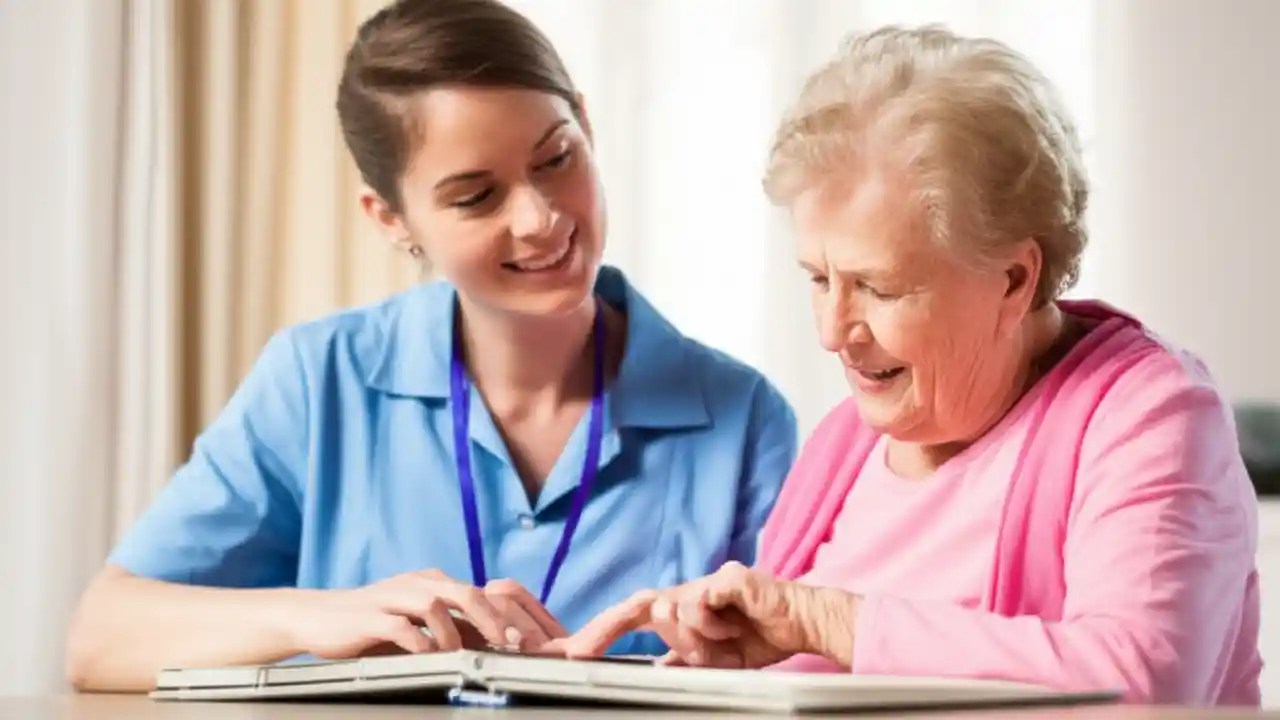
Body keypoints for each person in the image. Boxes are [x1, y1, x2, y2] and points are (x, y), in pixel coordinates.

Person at [64, 0, 797, 692]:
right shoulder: (319, 381)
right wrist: (321, 614)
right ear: (390, 218)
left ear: (588, 128)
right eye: (476, 196)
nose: (541, 219)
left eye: (556, 158)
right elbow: (101, 638)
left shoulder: (743, 416)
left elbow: (801, 671)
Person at [559, 25, 1262, 706]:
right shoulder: (847, 444)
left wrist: (828, 621)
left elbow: (1141, 688)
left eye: (879, 287)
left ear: (1014, 280)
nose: (834, 332)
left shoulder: (1147, 414)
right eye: (817, 278)